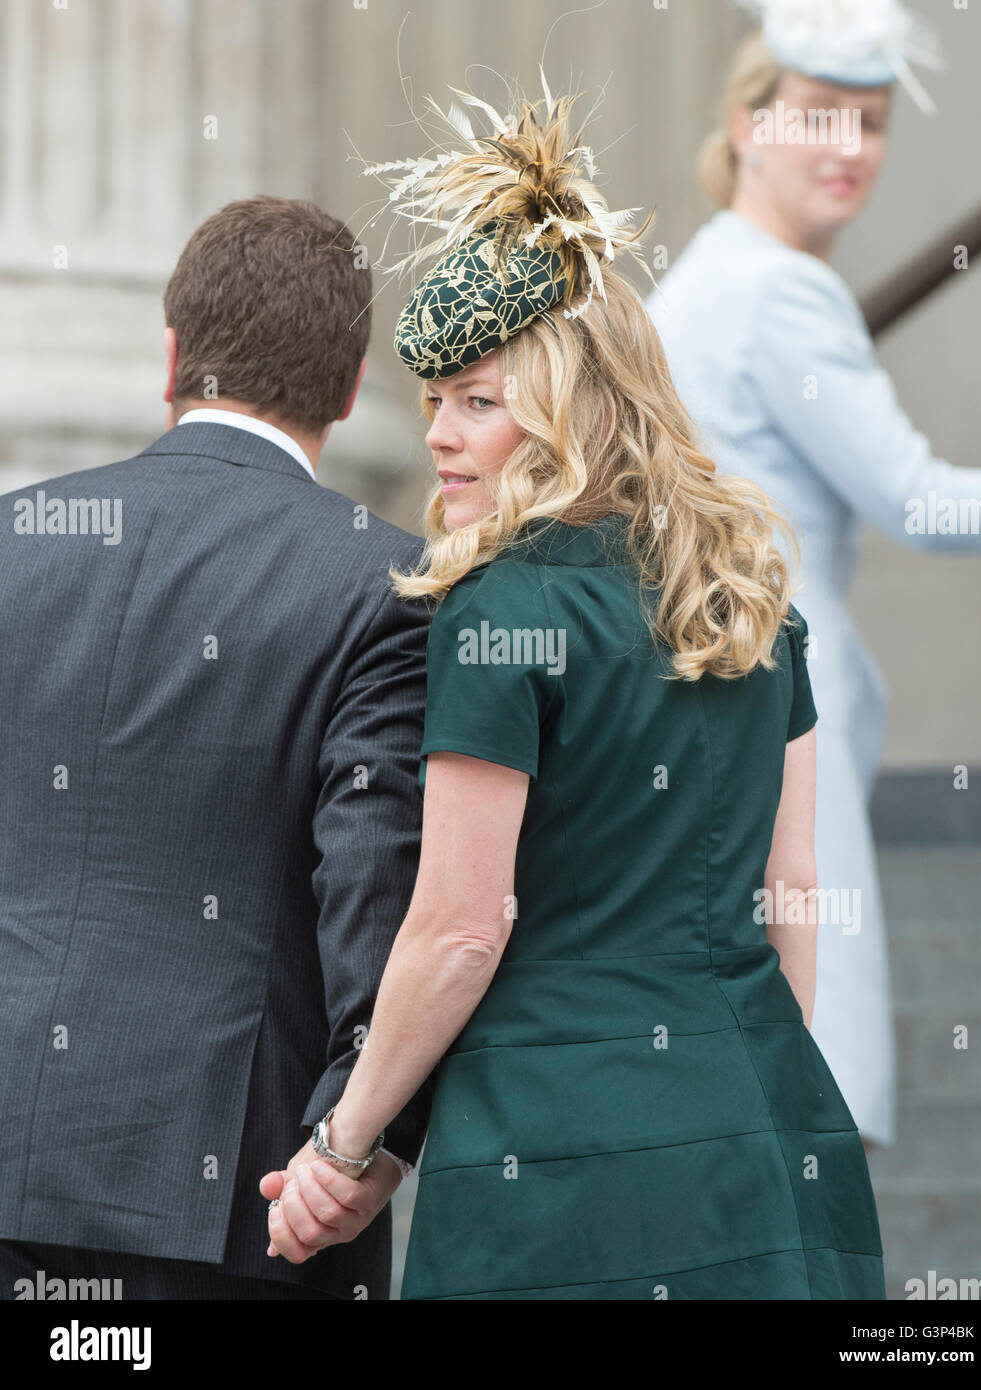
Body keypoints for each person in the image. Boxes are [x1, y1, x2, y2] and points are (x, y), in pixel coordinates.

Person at [260, 75, 886, 1300]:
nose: (441, 434)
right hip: (770, 1128)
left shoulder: (500, 609)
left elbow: (458, 926)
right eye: (435, 401)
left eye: (481, 402)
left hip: (557, 1161)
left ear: (574, 410)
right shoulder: (747, 594)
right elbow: (791, 887)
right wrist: (759, 1077)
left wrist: (345, 1150)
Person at [0, 195, 434, 1300]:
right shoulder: (383, 586)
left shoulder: (15, 543)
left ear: (172, 359)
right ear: (348, 390)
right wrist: (361, 1142)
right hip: (238, 1195)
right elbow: (374, 891)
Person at [645, 0, 981, 1152]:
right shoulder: (777, 291)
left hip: (721, 709)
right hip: (778, 711)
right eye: (818, 117)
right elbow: (915, 499)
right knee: (811, 1083)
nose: (850, 148)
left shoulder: (712, 272)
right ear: (749, 124)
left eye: (868, 123)